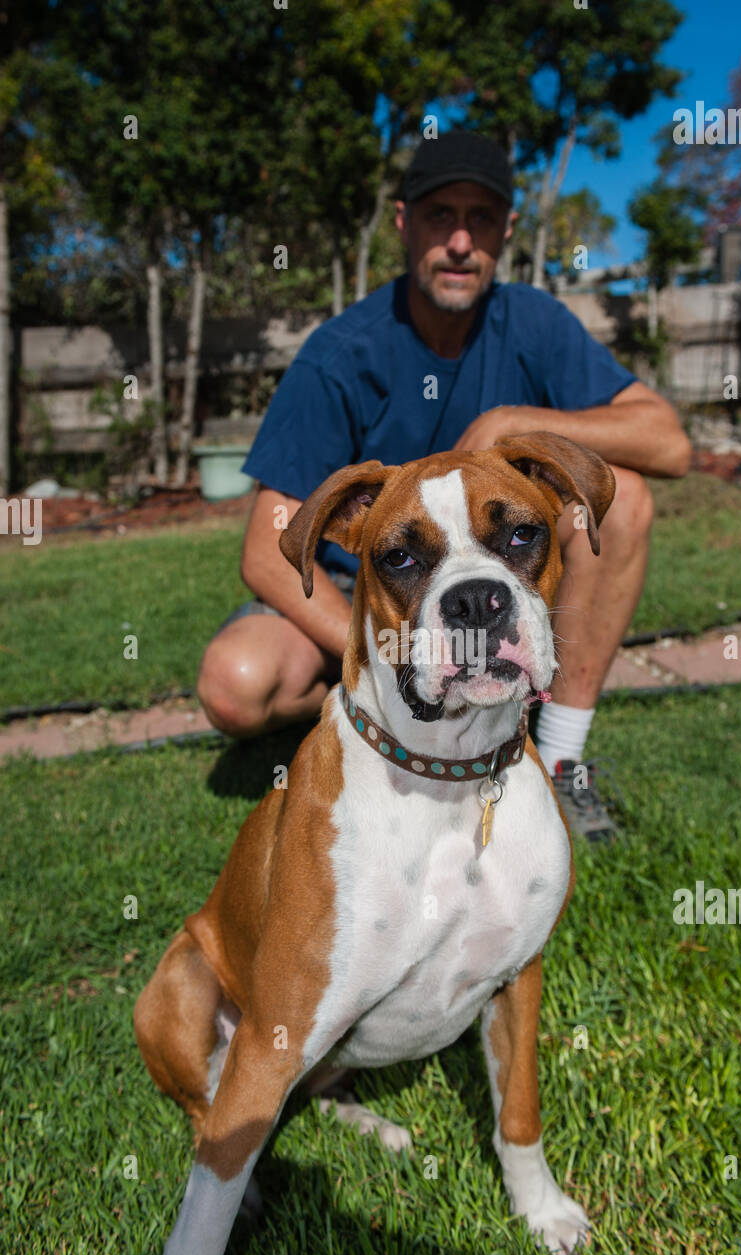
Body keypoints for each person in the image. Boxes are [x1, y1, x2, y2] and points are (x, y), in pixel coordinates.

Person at [197, 131, 690, 840]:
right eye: (439, 216)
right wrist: (397, 658)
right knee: (235, 685)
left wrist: (509, 421)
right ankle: (377, 715)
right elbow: (265, 551)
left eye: (480, 219)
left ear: (505, 231)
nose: (460, 241)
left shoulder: (534, 322)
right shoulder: (341, 355)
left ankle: (557, 758)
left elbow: (667, 441)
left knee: (628, 495)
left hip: (502, 580)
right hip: (369, 593)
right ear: (402, 223)